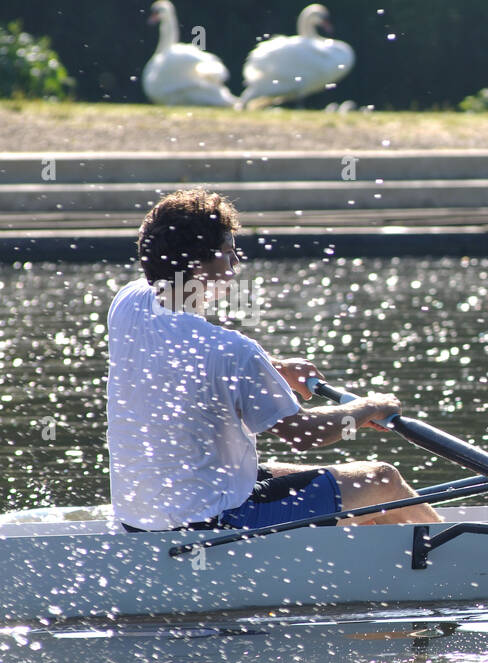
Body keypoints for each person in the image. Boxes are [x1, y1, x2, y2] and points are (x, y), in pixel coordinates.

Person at [107, 188, 438, 532]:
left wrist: (273, 369)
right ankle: (458, 559)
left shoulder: (129, 302)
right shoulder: (232, 350)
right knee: (381, 480)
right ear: (196, 263)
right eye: (228, 253)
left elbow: (182, 362)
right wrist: (370, 407)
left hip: (140, 518)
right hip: (215, 525)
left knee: (272, 471)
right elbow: (302, 434)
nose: (236, 262)